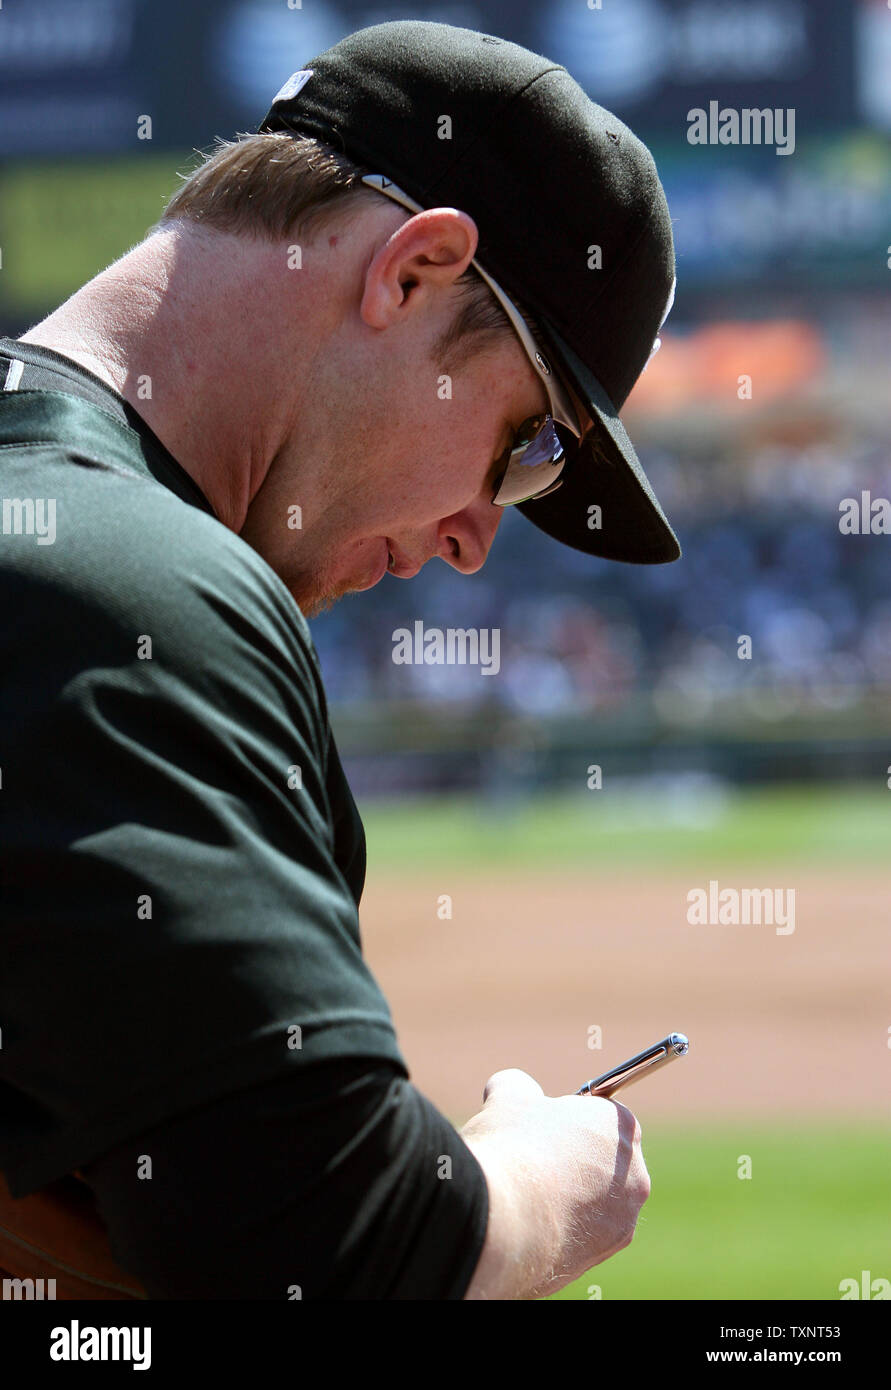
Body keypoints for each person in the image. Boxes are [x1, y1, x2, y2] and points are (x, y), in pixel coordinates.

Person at [0, 21, 678, 1300]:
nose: (483, 535)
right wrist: (528, 1185)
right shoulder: (131, 580)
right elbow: (323, 1255)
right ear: (416, 269)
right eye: (527, 443)